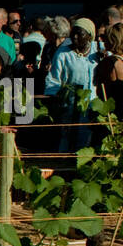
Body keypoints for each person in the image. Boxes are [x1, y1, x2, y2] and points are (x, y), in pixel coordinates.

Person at [47, 18, 98, 152]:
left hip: (93, 106)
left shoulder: (98, 50)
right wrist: (55, 99)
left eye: (79, 34)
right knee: (68, 139)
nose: (74, 37)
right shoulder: (63, 53)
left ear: (89, 36)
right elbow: (54, 79)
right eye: (73, 33)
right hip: (70, 105)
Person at [94, 22, 123, 120]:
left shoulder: (110, 63)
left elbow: (101, 92)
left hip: (111, 118)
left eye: (107, 38)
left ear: (116, 41)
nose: (104, 41)